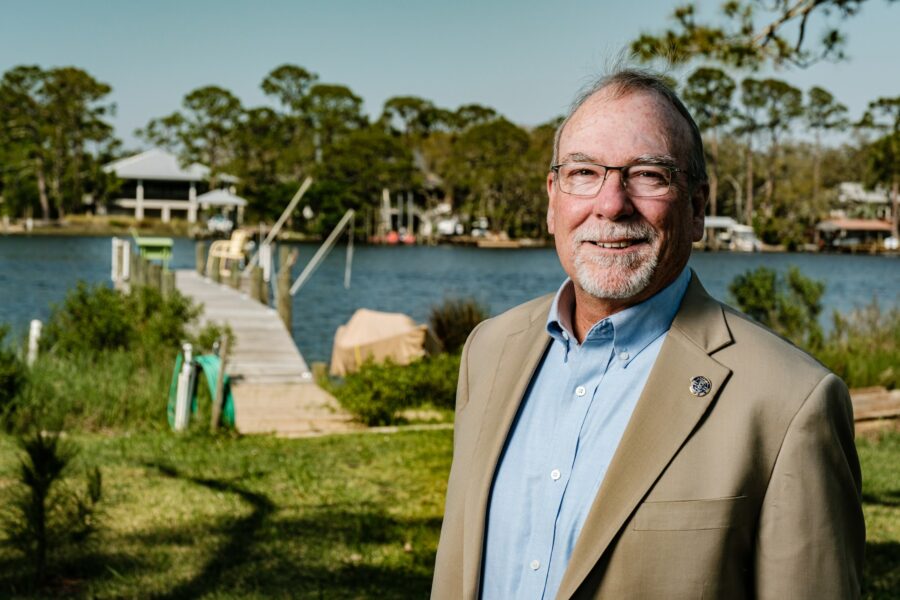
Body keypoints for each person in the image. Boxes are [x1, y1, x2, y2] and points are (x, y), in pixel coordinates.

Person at [431, 68, 864, 600]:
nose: (611, 204)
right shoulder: (488, 351)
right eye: (584, 172)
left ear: (698, 206)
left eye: (648, 175)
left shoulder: (790, 403)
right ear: (552, 198)